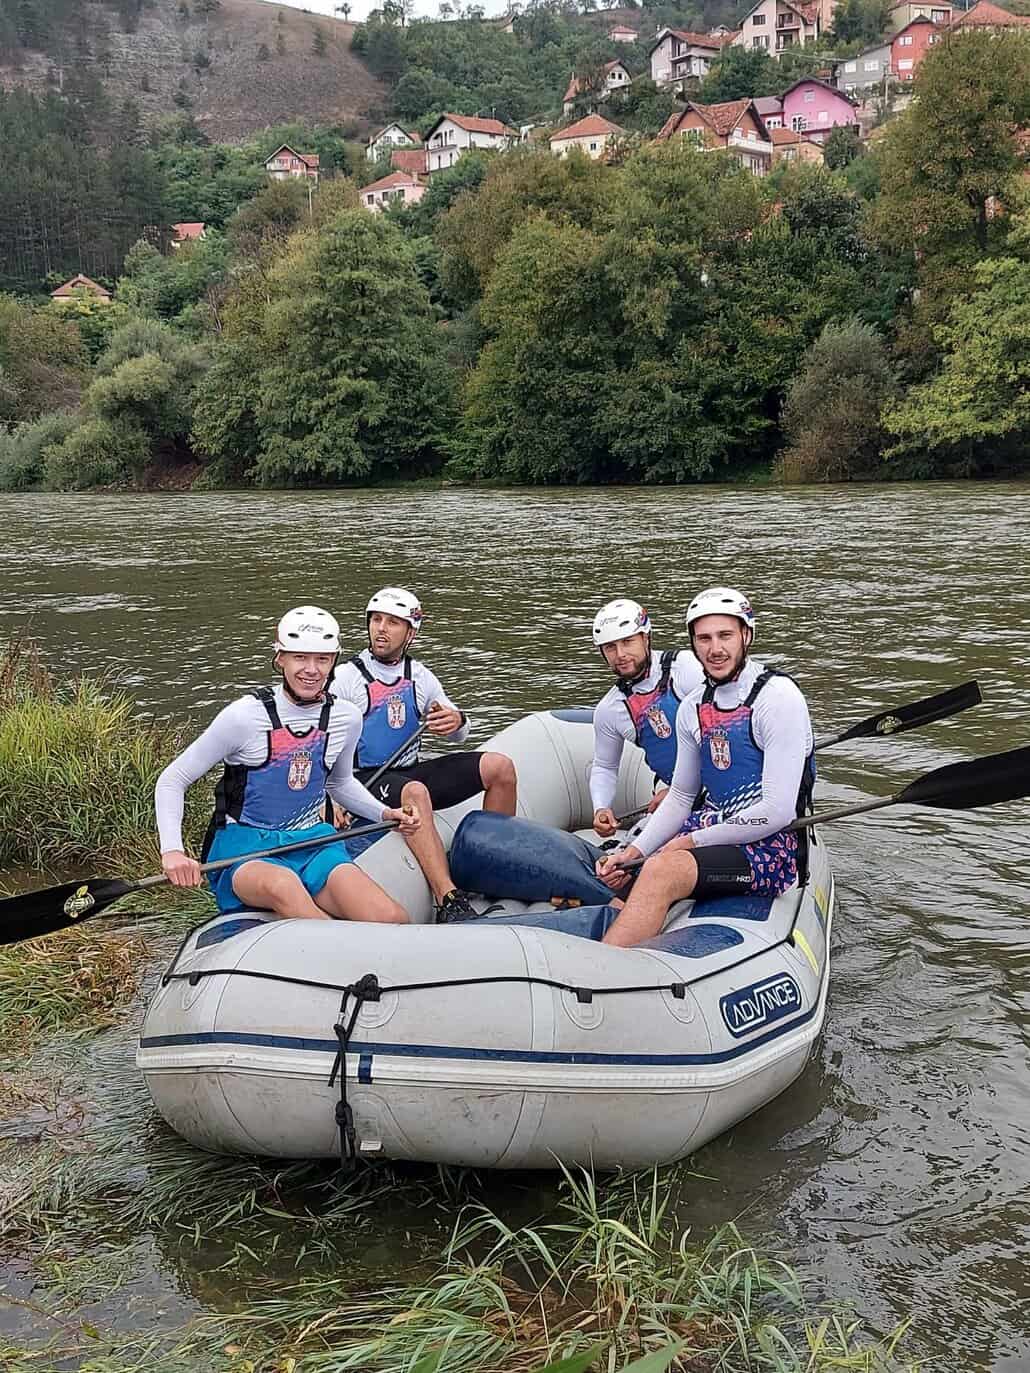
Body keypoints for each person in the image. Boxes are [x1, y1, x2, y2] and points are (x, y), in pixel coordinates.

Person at [156, 606, 420, 922]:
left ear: (333, 661)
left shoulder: (345, 718)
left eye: (322, 659)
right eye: (300, 657)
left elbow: (340, 783)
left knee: (391, 918)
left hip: (313, 842)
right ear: (280, 657)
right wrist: (172, 850)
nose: (311, 669)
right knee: (285, 886)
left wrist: (384, 812)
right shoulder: (243, 717)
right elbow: (174, 779)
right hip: (245, 850)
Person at [595, 587, 814, 948]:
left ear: (747, 634)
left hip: (771, 847)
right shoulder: (693, 706)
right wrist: (631, 854)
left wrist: (689, 842)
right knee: (632, 867)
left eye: (725, 635)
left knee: (661, 871)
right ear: (693, 645)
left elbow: (776, 811)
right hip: (714, 823)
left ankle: (600, 975)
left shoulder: (778, 698)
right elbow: (681, 796)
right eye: (704, 638)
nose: (715, 649)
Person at [330, 587, 518, 923]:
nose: (381, 629)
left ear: (411, 633)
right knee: (416, 793)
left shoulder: (420, 677)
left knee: (499, 767)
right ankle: (448, 900)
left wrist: (457, 720)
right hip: (363, 780)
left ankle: (494, 867)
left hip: (407, 770)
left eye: (392, 622)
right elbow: (319, 745)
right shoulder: (346, 679)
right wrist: (330, 798)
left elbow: (461, 732)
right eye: (376, 620)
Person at [589, 598, 704, 837]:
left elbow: (729, 733)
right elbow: (605, 766)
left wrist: (675, 793)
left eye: (627, 642)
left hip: (717, 791)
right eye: (610, 647)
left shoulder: (687, 669)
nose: (620, 654)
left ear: (646, 637)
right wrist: (601, 808)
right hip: (677, 798)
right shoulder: (610, 709)